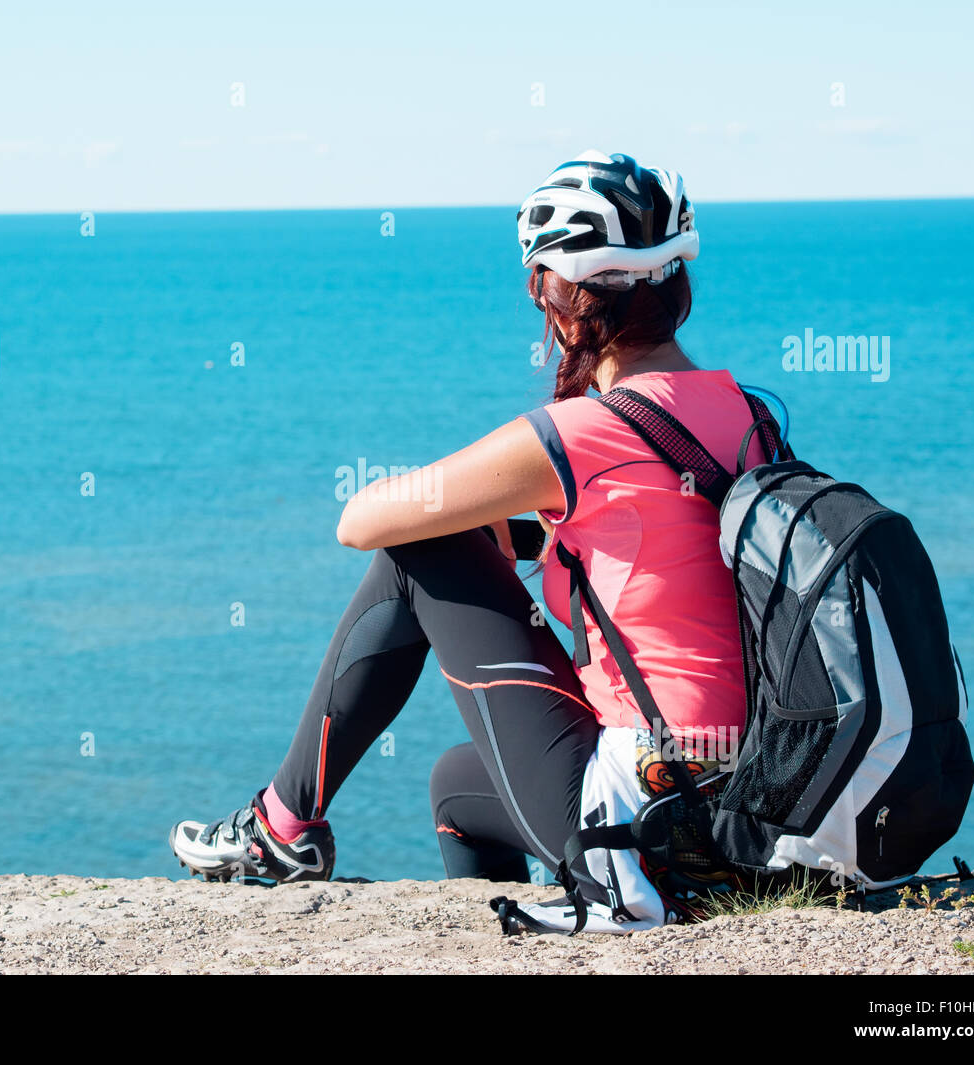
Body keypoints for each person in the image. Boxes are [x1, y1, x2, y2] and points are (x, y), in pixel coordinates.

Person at [171, 150, 781, 933]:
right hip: (746, 798)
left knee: (421, 551)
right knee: (457, 786)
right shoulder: (750, 415)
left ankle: (280, 826)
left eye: (539, 284)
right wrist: (531, 524)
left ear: (566, 301)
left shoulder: (585, 431)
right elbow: (659, 539)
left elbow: (361, 519)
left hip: (648, 802)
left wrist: (486, 520)